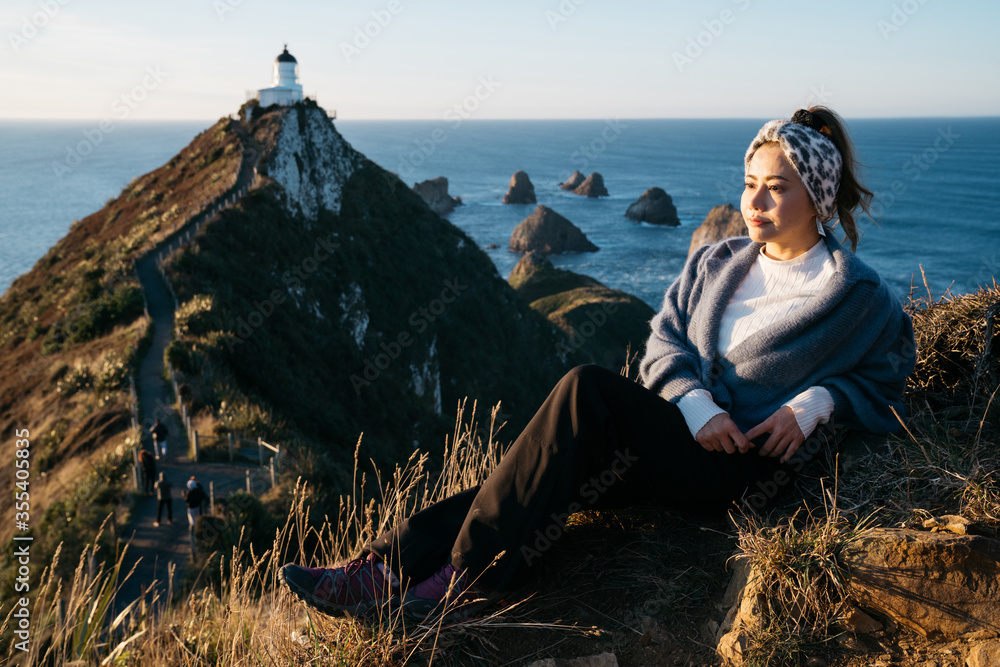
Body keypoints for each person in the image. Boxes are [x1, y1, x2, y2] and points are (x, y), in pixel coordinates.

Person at [280, 107, 916, 621]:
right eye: (751, 184)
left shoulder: (851, 293)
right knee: (526, 478)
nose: (757, 202)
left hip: (742, 472)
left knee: (587, 387)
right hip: (679, 438)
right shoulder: (718, 261)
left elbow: (892, 374)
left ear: (819, 200)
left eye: (778, 189)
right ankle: (384, 569)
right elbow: (664, 341)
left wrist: (817, 403)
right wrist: (694, 404)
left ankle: (467, 581)